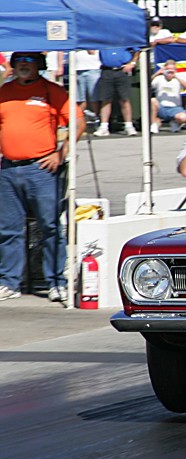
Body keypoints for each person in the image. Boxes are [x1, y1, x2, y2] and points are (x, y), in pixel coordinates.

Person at [0, 52, 86, 303]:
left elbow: (78, 123)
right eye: (20, 61)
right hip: (7, 169)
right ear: (13, 66)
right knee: (8, 230)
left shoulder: (52, 91)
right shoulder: (4, 92)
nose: (24, 65)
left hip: (42, 169)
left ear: (39, 65)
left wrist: (61, 153)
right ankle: (9, 282)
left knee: (49, 227)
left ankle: (57, 282)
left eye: (29, 61)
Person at [95, 46, 140, 137]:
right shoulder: (103, 38)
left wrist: (132, 63)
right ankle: (104, 126)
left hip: (122, 70)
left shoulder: (125, 37)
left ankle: (128, 125)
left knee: (124, 99)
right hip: (106, 70)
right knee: (106, 99)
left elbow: (137, 50)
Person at [150, 59, 186, 134]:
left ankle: (174, 122)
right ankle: (154, 124)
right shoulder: (159, 78)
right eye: (168, 69)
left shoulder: (178, 79)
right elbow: (148, 83)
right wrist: (157, 73)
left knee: (183, 118)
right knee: (153, 101)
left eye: (172, 70)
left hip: (175, 108)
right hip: (161, 107)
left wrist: (175, 76)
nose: (170, 72)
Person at [73, 50, 101, 118]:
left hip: (94, 69)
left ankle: (97, 118)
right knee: (79, 99)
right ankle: (77, 119)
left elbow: (92, 51)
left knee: (94, 97)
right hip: (78, 69)